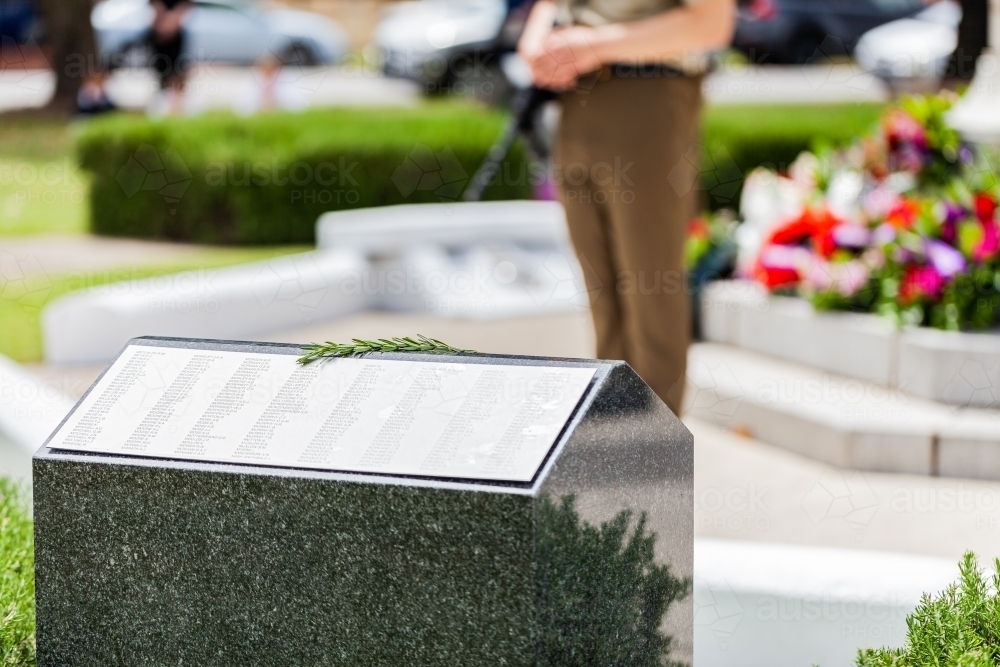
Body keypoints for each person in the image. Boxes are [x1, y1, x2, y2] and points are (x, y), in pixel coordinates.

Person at [517, 0, 734, 414]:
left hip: (647, 94)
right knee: (604, 303)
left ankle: (654, 445)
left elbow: (711, 23)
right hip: (575, 98)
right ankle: (616, 439)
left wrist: (594, 45)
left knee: (651, 294)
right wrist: (536, 44)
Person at [148, 0, 192, 115]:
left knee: (177, 70)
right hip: (160, 29)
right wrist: (163, 21)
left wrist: (173, 20)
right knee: (161, 69)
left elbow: (187, 4)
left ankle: (176, 103)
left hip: (175, 30)